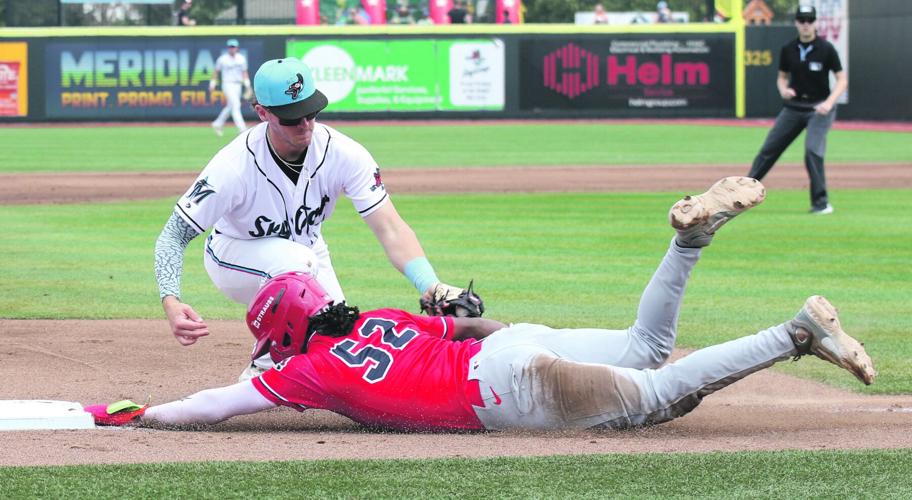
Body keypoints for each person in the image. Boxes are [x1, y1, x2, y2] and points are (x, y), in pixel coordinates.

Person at [99, 177, 876, 431]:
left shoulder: (302, 375)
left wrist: (146, 415)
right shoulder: (374, 319)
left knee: (658, 395)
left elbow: (213, 404)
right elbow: (474, 320)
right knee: (644, 348)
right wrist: (479, 316)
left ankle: (794, 333)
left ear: (282, 333)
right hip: (499, 347)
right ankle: (688, 244)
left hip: (504, 390)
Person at [154, 58, 472, 381]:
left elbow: (390, 228)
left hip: (306, 256)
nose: (305, 124)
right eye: (292, 118)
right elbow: (172, 236)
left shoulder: (344, 154)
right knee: (297, 262)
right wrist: (171, 301)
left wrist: (430, 284)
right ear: (262, 113)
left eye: (311, 112)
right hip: (233, 254)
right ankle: (262, 368)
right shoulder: (232, 167)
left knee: (341, 338)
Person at [747, 5, 847, 215]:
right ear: (796, 23)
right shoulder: (789, 48)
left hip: (819, 108)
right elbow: (782, 77)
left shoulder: (826, 49)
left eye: (810, 20)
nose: (806, 24)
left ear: (815, 23)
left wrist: (829, 103)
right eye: (802, 20)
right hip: (794, 107)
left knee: (812, 150)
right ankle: (744, 194)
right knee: (769, 150)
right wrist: (783, 90)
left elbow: (841, 79)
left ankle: (821, 203)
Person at [209, 39, 250, 137]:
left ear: (237, 48)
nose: (232, 49)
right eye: (230, 47)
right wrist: (212, 84)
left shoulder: (241, 58)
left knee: (230, 106)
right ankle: (242, 128)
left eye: (234, 47)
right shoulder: (222, 59)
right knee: (236, 105)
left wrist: (248, 86)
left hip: (238, 84)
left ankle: (217, 123)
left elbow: (244, 73)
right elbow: (216, 72)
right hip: (227, 84)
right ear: (228, 48)